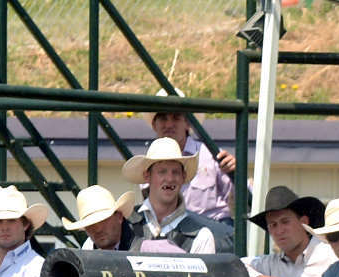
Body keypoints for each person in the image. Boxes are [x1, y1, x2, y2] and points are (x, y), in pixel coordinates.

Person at [150, 92, 236, 224]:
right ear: (154, 125)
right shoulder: (147, 161)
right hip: (171, 233)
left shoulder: (210, 154)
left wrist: (235, 172)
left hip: (214, 229)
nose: (169, 124)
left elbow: (240, 198)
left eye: (176, 117)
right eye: (163, 118)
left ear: (188, 124)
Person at [123, 137, 220, 254]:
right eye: (162, 171)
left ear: (183, 177)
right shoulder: (124, 223)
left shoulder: (201, 236)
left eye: (175, 172)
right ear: (147, 176)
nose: (169, 179)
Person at [63, 185, 136, 251]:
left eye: (103, 220)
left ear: (119, 217)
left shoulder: (144, 248)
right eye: (90, 224)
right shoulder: (88, 249)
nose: (98, 229)